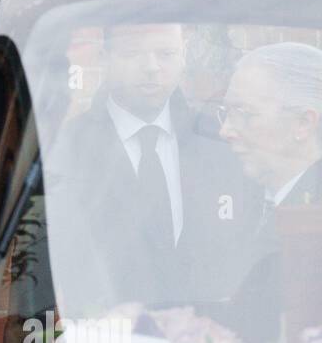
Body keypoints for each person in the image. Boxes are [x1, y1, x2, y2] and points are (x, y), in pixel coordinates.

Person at [44, 21, 253, 319]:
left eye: (166, 53)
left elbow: (240, 252)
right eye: (132, 54)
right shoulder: (66, 149)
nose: (152, 67)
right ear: (105, 58)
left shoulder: (220, 145)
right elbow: (41, 266)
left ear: (183, 56)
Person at [208, 41, 322, 343]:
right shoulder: (228, 200)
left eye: (244, 114)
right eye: (226, 112)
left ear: (304, 123)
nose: (225, 130)